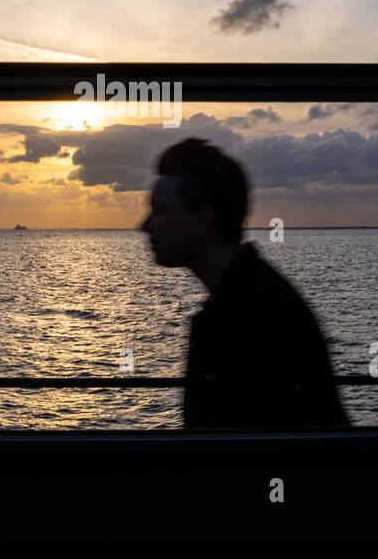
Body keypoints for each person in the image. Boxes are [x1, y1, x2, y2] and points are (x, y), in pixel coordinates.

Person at [141, 137, 348, 429]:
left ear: (202, 219)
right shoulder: (260, 298)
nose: (145, 225)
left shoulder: (241, 320)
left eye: (159, 210)